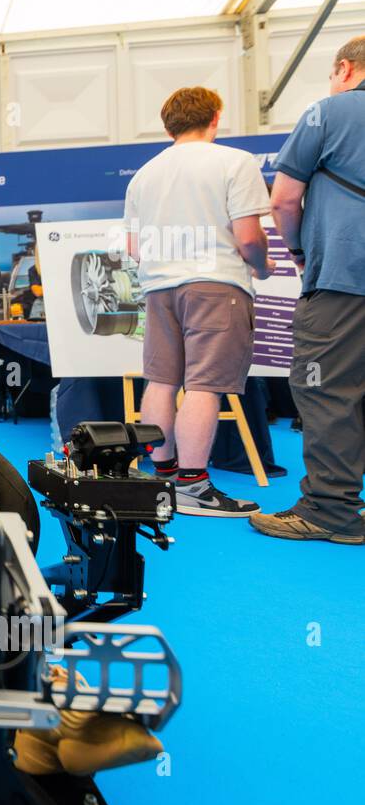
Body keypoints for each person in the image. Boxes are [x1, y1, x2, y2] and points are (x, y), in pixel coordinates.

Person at [123, 87, 271, 517]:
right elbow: (247, 237)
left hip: (159, 287)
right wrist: (262, 268)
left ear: (169, 124)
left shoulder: (143, 175)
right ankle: (193, 486)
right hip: (216, 284)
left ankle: (165, 475)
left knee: (162, 380)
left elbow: (134, 248)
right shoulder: (234, 162)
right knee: (204, 385)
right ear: (215, 117)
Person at [252, 35, 365, 545]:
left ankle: (330, 509)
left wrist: (300, 253)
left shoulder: (329, 112)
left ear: (345, 68)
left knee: (327, 391)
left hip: (342, 276)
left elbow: (283, 201)